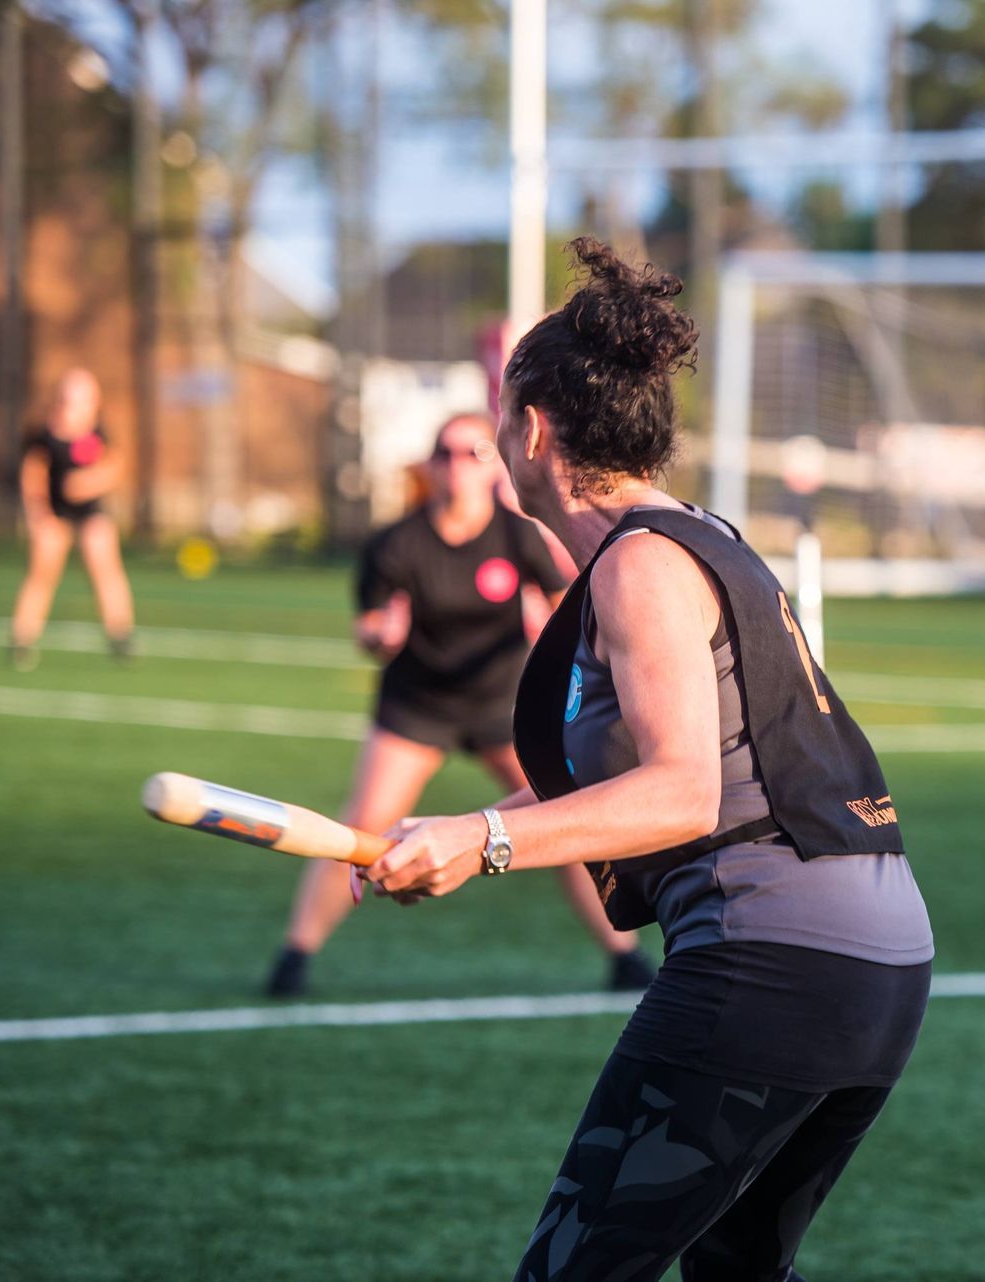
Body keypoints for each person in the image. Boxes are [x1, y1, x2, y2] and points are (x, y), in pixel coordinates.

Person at [361, 240, 933, 1281]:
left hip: (772, 962)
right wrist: (444, 836)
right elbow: (630, 782)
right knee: (735, 1272)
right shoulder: (695, 535)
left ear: (533, 428)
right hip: (880, 962)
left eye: (499, 418)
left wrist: (482, 837)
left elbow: (681, 790)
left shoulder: (641, 564)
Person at [264, 411, 656, 999]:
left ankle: (623, 955)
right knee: (363, 825)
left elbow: (568, 607)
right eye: (444, 454)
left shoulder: (516, 534)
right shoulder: (397, 544)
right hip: (417, 706)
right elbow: (369, 628)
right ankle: (295, 954)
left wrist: (543, 628)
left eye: (471, 452)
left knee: (560, 819)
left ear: (492, 463)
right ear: (431, 467)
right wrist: (382, 636)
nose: (457, 466)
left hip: (501, 705)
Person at [9, 367, 135, 669]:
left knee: (106, 567)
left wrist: (90, 483)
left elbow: (115, 467)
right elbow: (33, 474)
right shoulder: (45, 436)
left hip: (90, 513)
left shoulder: (98, 432)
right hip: (55, 513)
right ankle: (22, 639)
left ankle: (121, 635)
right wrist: (39, 514)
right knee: (42, 574)